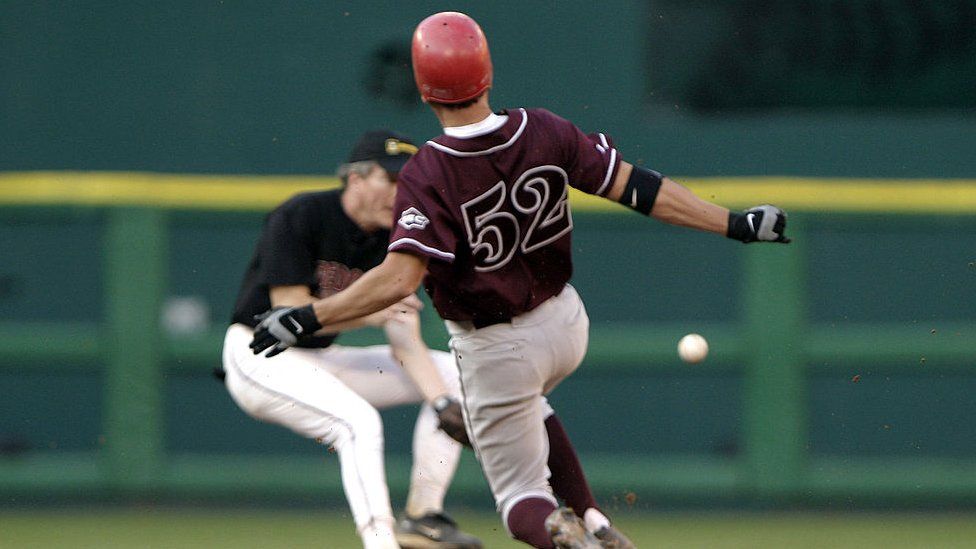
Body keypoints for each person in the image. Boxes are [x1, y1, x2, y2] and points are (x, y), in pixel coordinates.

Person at [249, 11, 790, 549]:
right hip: (566, 324)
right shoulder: (546, 130)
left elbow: (398, 278)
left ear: (424, 89)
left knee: (520, 504)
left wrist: (308, 316)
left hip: (496, 347)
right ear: (486, 73)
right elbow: (637, 188)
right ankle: (596, 523)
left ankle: (561, 532)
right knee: (534, 406)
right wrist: (735, 224)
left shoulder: (429, 172)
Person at [220, 129, 482, 549]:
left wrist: (442, 403)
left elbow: (404, 338)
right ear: (356, 178)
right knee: (357, 421)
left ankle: (422, 516)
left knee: (457, 374)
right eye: (392, 180)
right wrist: (369, 312)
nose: (400, 193)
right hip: (259, 355)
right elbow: (287, 314)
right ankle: (381, 542)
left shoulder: (395, 239)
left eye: (408, 183)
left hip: (322, 359)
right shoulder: (303, 214)